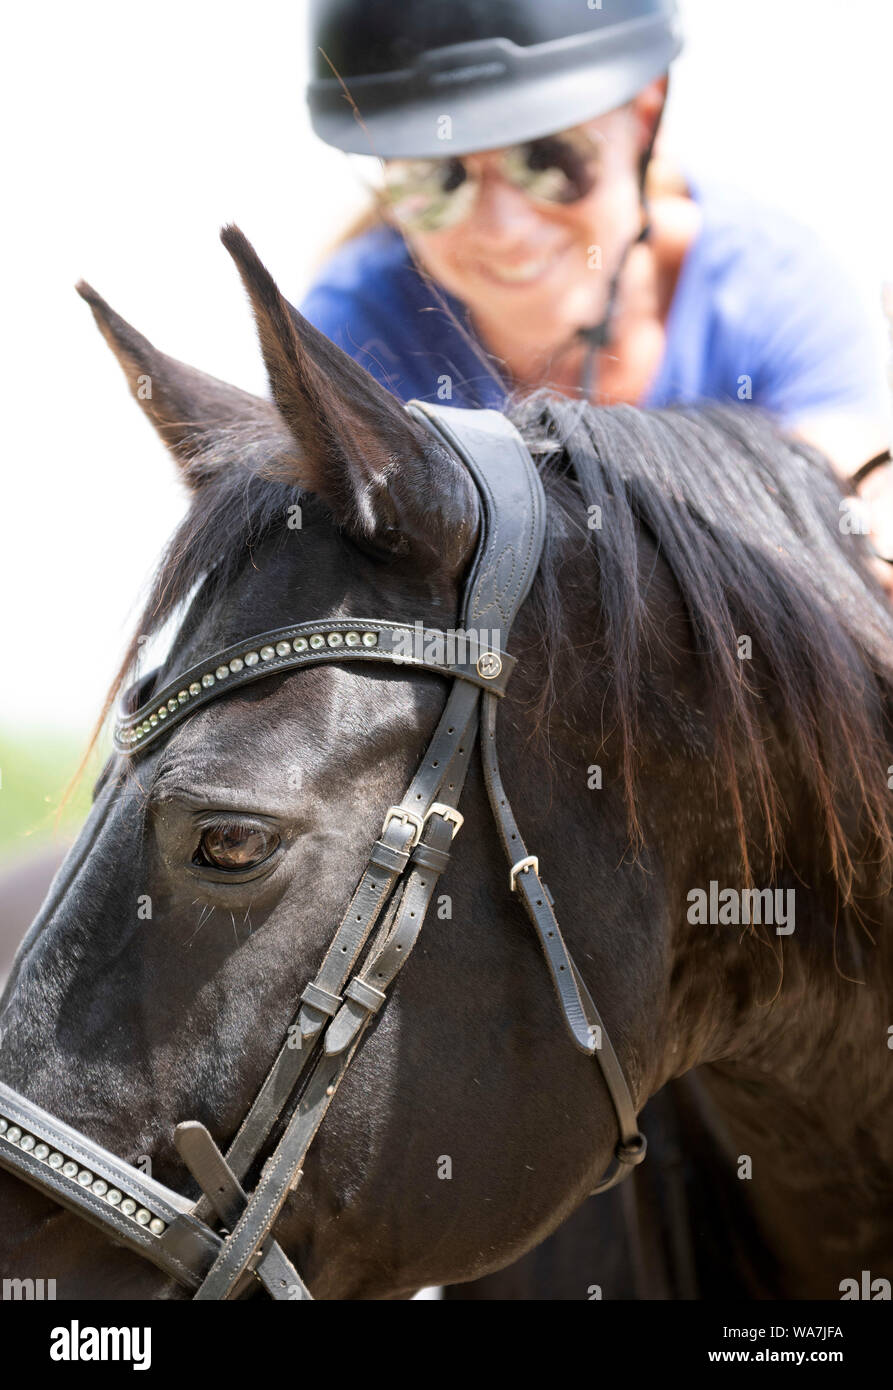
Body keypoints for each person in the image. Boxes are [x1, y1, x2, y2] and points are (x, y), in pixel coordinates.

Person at [301, 0, 892, 563]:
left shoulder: (775, 290)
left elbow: (855, 536)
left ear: (644, 117)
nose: (503, 228)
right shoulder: (352, 336)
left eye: (549, 158)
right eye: (433, 177)